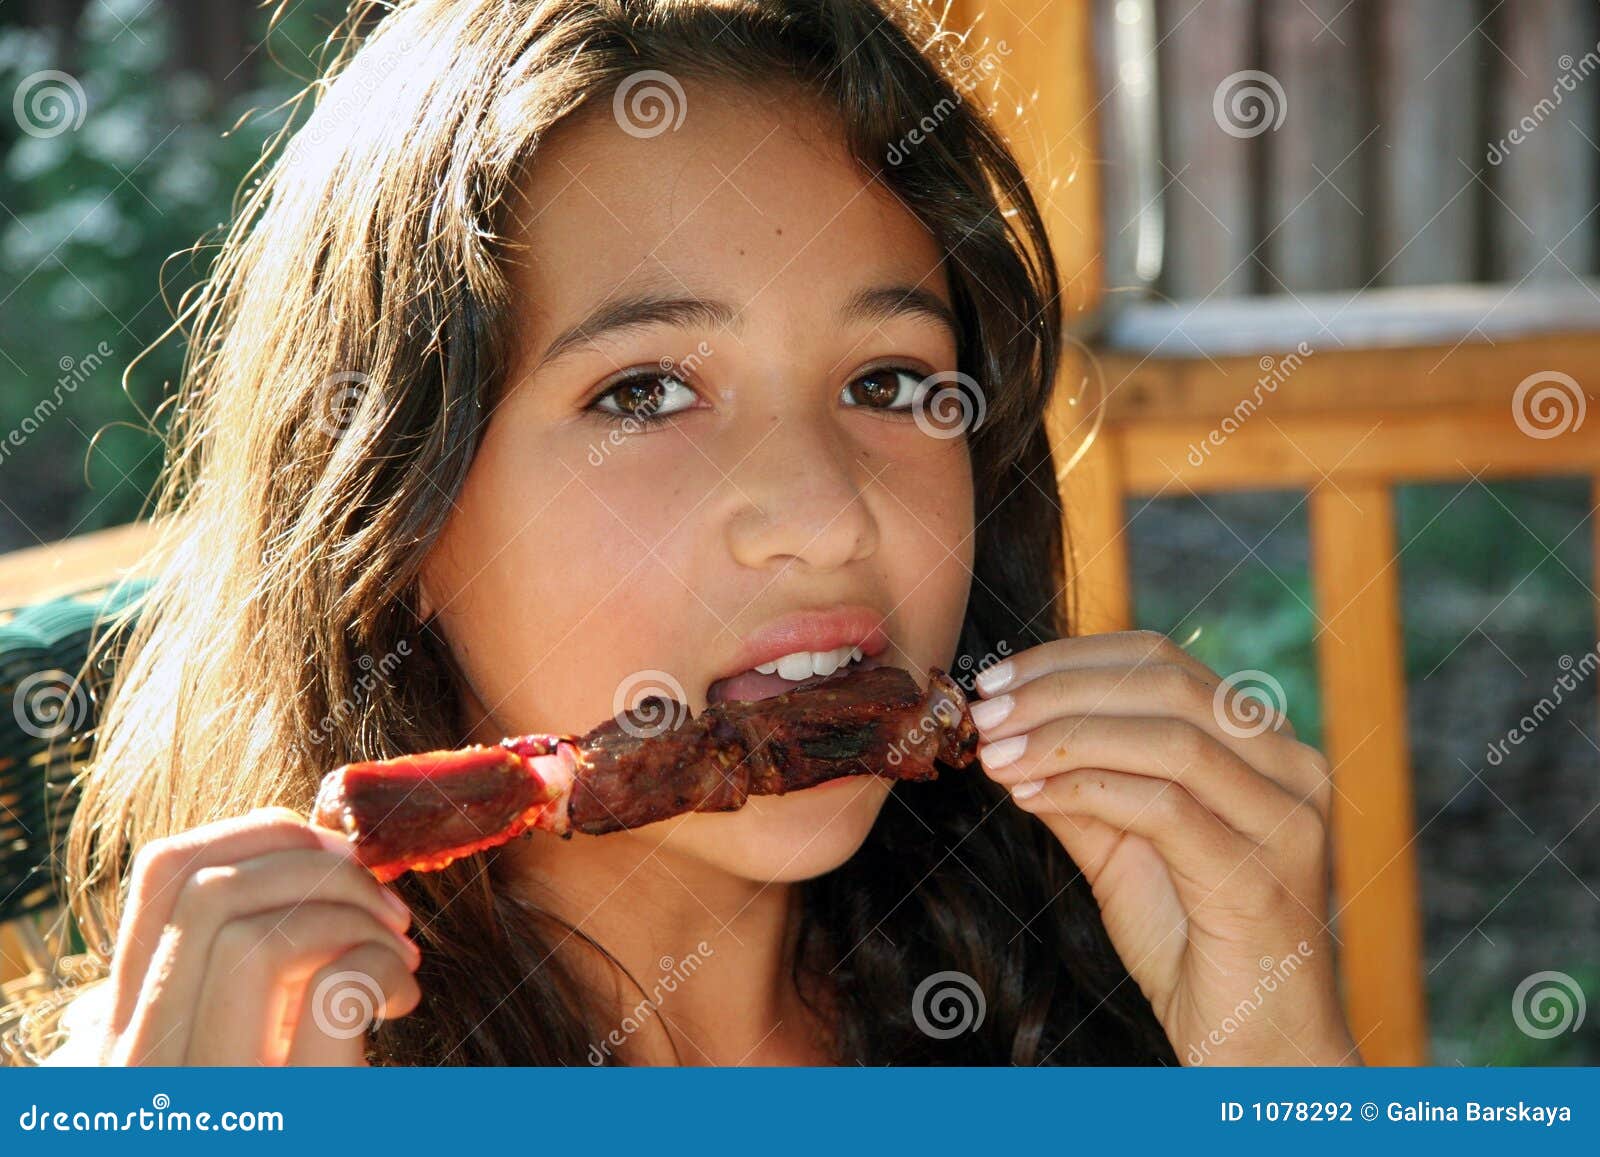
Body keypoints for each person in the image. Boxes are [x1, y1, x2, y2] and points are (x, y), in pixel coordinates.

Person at [26, 0, 1356, 1066]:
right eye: (644, 391)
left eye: (888, 382)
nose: (828, 514)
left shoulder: (1085, 990)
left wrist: (1280, 1053)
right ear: (398, 506)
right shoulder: (213, 1080)